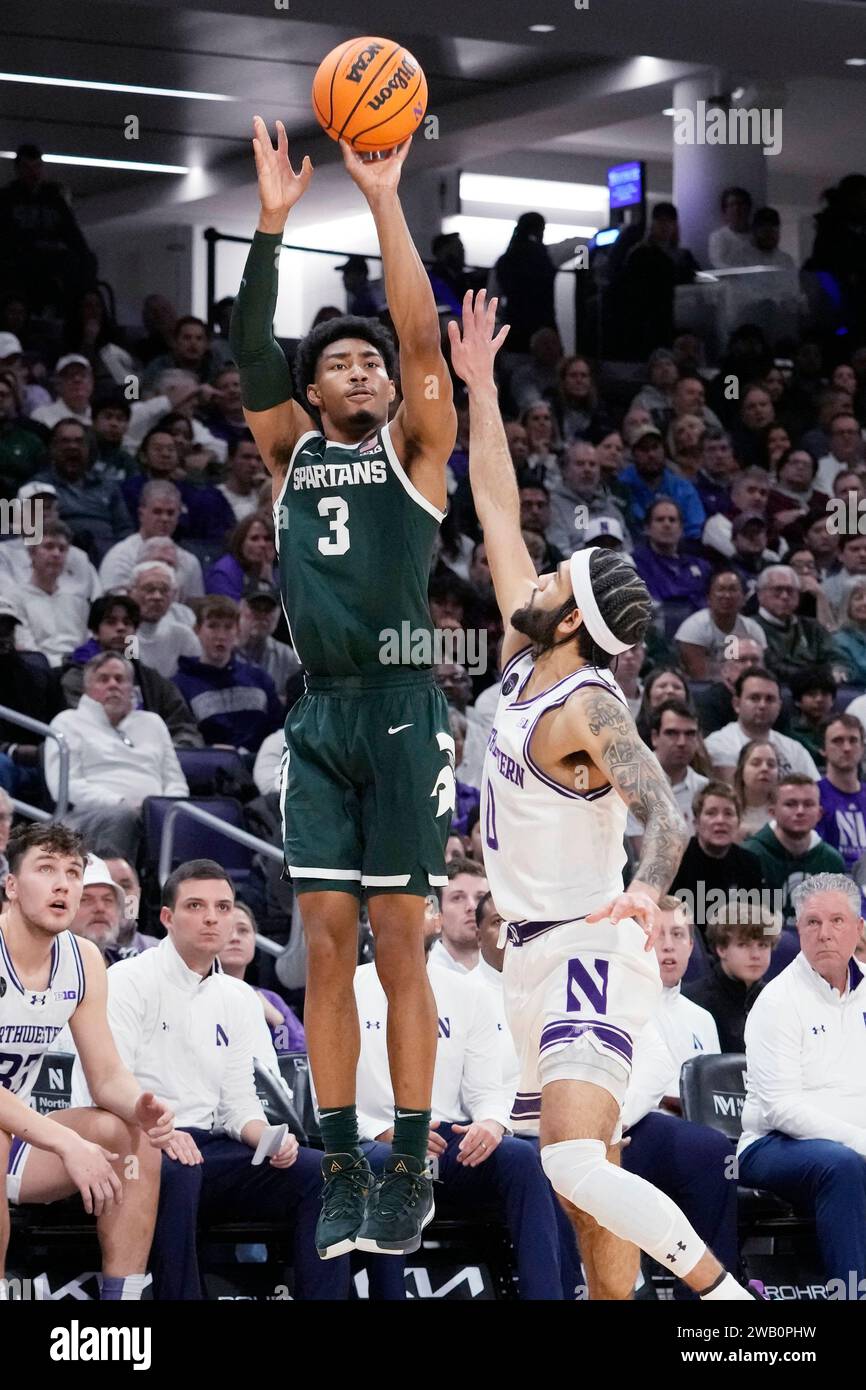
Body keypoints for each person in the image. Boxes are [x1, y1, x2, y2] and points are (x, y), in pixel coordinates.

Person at [451, 289, 753, 1299]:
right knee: (588, 1186)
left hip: (587, 941)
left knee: (571, 1164)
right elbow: (494, 503)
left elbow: (664, 812)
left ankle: (731, 1307)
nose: (530, 580)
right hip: (531, 953)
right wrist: (480, 389)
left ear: (571, 619)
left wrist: (651, 886)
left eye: (549, 582)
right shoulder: (524, 652)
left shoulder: (587, 706)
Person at [230, 118, 459, 1259]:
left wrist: (382, 199)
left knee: (401, 942)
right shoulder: (287, 453)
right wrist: (270, 224)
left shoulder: (417, 448)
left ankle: (408, 1161)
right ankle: (338, 1169)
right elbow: (246, 348)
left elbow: (419, 333)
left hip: (408, 709)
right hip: (320, 711)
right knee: (324, 942)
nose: (363, 368)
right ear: (312, 393)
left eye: (369, 361)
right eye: (341, 362)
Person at [70, 858, 347, 1300]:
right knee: (180, 1167)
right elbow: (101, 1086)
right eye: (196, 906)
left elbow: (240, 1104)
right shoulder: (126, 981)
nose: (213, 918)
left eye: (223, 907)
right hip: (140, 1144)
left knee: (324, 1174)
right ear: (167, 917)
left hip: (211, 1146)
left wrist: (269, 1137)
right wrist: (158, 1133)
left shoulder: (239, 998)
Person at [0, 821, 177, 1301]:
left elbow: (106, 1077)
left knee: (133, 1135)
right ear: (11, 886)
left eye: (73, 872)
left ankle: (123, 1305)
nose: (63, 883)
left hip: (16, 1130)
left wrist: (141, 1106)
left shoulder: (83, 959)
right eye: (46, 869)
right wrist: (66, 1144)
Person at [353, 913, 567, 1298]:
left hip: (445, 1140)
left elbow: (486, 1090)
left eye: (413, 905)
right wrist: (383, 1132)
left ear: (434, 920)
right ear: (373, 920)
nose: (400, 914)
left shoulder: (467, 994)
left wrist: (491, 1123)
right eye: (390, 906)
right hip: (375, 1141)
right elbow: (327, 1100)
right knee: (391, 1164)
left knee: (521, 1159)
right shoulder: (348, 988)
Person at [737, 873, 866, 1295]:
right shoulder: (777, 1001)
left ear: (859, 929)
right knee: (842, 1165)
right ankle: (853, 1292)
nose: (825, 934)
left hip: (850, 1139)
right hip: (774, 1144)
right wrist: (859, 1141)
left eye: (837, 921)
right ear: (799, 931)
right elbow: (781, 1109)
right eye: (812, 923)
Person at [619, 897, 741, 1301]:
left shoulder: (700, 1018)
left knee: (716, 1153)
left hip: (688, 1138)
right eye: (660, 934)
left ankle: (713, 1284)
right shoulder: (619, 1002)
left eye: (679, 935)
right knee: (707, 1151)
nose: (669, 945)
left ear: (693, 947)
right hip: (632, 1131)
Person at [44, 651, 189, 860]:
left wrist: (162, 808)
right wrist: (121, 803)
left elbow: (176, 781)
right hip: (85, 817)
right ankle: (117, 887)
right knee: (123, 816)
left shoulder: (153, 722)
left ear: (131, 688)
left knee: (194, 818)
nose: (113, 685)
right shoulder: (67, 722)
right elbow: (64, 787)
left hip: (153, 815)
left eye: (120, 679)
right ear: (87, 688)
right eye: (103, 679)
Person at [60, 592, 203, 749]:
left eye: (127, 623)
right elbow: (82, 726)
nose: (120, 628)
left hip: (154, 758)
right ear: (95, 631)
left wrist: (177, 747)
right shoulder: (76, 677)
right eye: (111, 622)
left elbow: (183, 725)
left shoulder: (151, 679)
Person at [173, 595, 283, 754]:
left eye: (228, 627)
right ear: (197, 630)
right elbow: (183, 738)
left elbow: (278, 728)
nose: (221, 635)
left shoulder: (259, 679)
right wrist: (209, 751)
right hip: (210, 769)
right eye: (213, 626)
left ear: (237, 630)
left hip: (261, 764)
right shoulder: (180, 685)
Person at [744, 774, 846, 930]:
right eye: (790, 804)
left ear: (819, 813)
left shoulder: (832, 862)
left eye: (808, 804)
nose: (800, 811)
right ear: (772, 811)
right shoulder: (750, 855)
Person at [670, 782, 765, 938]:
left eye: (728, 813)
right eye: (711, 813)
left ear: (739, 822)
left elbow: (758, 923)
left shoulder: (750, 863)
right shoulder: (676, 861)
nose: (720, 820)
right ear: (696, 823)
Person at [684, 900, 778, 1052]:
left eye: (763, 945)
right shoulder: (694, 1001)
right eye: (744, 945)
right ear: (721, 949)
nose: (755, 955)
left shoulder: (779, 1000)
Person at [33, 419, 132, 559]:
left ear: (88, 449)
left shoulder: (107, 485)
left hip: (109, 556)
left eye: (79, 441)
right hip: (61, 555)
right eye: (65, 441)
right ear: (52, 448)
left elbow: (125, 529)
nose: (73, 446)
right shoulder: (38, 486)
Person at [218, 902, 305, 1053]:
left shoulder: (271, 1000)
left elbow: (293, 1059)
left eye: (243, 930)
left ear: (254, 940)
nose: (235, 938)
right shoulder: (192, 997)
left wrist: (278, 1023)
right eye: (225, 930)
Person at [489, 212, 582, 354]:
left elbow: (492, 301)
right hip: (545, 332)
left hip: (515, 334)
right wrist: (586, 265)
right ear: (541, 230)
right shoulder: (548, 254)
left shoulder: (503, 261)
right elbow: (581, 243)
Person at [704, 667, 820, 780]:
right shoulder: (716, 745)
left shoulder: (795, 750)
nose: (762, 705)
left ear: (779, 706)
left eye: (770, 699)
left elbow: (816, 791)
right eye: (754, 698)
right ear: (737, 704)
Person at [98, 481, 204, 601]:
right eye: (157, 512)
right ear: (141, 514)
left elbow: (193, 608)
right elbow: (114, 606)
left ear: (178, 515)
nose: (165, 519)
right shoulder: (120, 556)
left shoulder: (190, 562)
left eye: (170, 513)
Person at [628, 701, 707, 851]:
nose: (682, 742)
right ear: (655, 737)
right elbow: (639, 851)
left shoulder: (705, 789)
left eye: (690, 734)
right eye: (672, 733)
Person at [10, 520, 89, 666]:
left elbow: (86, 643)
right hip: (37, 672)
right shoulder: (14, 599)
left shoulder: (78, 600)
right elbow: (25, 647)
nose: (56, 554)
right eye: (49, 547)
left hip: (77, 671)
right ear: (32, 553)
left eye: (62, 549)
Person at [618, 423, 705, 540]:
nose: (651, 455)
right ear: (633, 454)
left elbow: (695, 528)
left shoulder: (682, 487)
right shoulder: (622, 485)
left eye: (655, 447)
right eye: (644, 449)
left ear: (664, 450)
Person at [675, 569, 766, 680]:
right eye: (721, 589)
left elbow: (760, 670)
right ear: (708, 597)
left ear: (743, 598)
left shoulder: (753, 629)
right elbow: (699, 676)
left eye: (733, 589)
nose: (727, 595)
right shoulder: (693, 628)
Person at [754, 566, 837, 683]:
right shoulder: (749, 627)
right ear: (760, 594)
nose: (785, 596)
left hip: (817, 687)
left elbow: (833, 658)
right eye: (778, 590)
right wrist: (812, 675)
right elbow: (771, 666)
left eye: (790, 590)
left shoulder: (813, 627)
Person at [546, 440, 629, 557]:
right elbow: (558, 551)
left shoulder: (611, 509)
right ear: (565, 471)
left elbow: (627, 548)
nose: (587, 470)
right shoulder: (553, 506)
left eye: (592, 464)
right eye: (580, 464)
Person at [631, 498, 711, 613]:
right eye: (660, 520)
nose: (667, 524)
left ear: (681, 529)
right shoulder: (635, 564)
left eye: (672, 520)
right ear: (647, 528)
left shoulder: (702, 567)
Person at [128, 561, 202, 678]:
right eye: (149, 589)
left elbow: (197, 676)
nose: (157, 597)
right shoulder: (126, 635)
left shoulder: (182, 635)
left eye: (164, 590)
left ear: (173, 595)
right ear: (131, 592)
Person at [817, 713, 866, 873]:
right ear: (822, 749)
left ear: (863, 748)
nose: (847, 748)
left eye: (853, 740)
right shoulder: (811, 797)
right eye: (837, 741)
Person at [92, 849, 159, 960]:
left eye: (125, 886)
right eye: (108, 887)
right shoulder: (63, 954)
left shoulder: (163, 954)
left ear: (139, 893)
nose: (120, 896)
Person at [692, 635, 765, 737]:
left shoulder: (773, 699)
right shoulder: (706, 703)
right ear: (725, 669)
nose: (749, 665)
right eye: (741, 660)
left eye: (755, 660)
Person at [238, 580, 302, 694]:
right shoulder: (226, 649)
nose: (262, 615)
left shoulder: (287, 657)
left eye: (268, 609)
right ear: (240, 608)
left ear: (278, 614)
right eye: (255, 607)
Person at [428, 858, 488, 975]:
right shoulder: (422, 973)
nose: (472, 906)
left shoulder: (513, 969)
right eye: (457, 898)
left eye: (480, 897)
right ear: (437, 912)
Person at [204, 513, 276, 600]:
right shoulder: (222, 573)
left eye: (267, 538)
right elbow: (233, 611)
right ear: (240, 542)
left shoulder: (280, 571)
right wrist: (263, 582)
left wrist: (269, 578)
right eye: (254, 538)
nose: (262, 544)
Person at [788, 667, 837, 769]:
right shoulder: (788, 732)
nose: (819, 699)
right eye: (812, 694)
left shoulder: (840, 730)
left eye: (825, 694)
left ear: (833, 700)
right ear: (797, 701)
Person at [732, 739, 780, 840]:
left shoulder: (784, 811)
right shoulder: (727, 808)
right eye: (755, 763)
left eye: (771, 765)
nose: (764, 769)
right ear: (741, 770)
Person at [217, 433, 266, 523]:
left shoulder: (266, 499)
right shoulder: (214, 498)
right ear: (230, 461)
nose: (253, 464)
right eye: (246, 457)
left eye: (259, 459)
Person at [708, 187, 754, 269]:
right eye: (732, 205)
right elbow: (719, 264)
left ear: (748, 207)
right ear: (725, 210)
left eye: (740, 204)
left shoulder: (757, 237)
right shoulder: (718, 237)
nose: (737, 209)